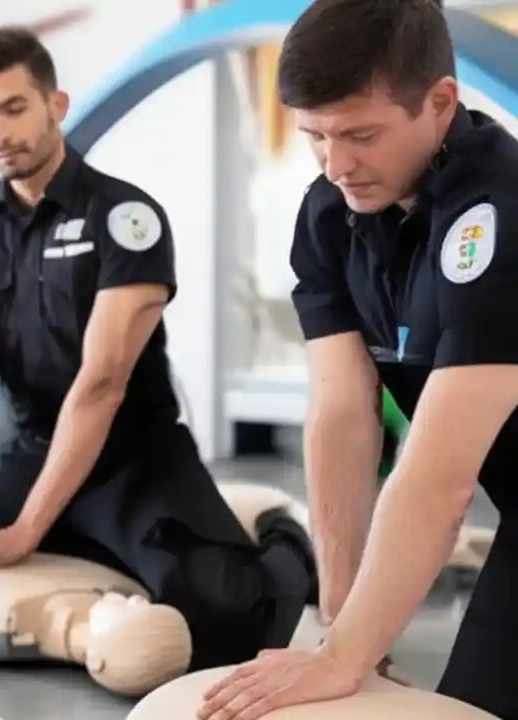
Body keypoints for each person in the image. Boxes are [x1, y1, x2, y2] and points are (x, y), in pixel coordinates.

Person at [0, 26, 318, 675]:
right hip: (32, 452)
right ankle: (93, 541)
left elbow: (103, 383)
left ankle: (284, 542)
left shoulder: (126, 217)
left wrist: (25, 532)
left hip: (133, 459)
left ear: (56, 104)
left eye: (15, 108)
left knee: (226, 614)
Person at [199, 1, 518, 718]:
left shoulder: (501, 215)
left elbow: (440, 481)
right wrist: (345, 636)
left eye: (361, 135)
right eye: (314, 136)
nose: (337, 165)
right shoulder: (329, 215)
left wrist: (340, 659)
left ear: (440, 103)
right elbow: (342, 417)